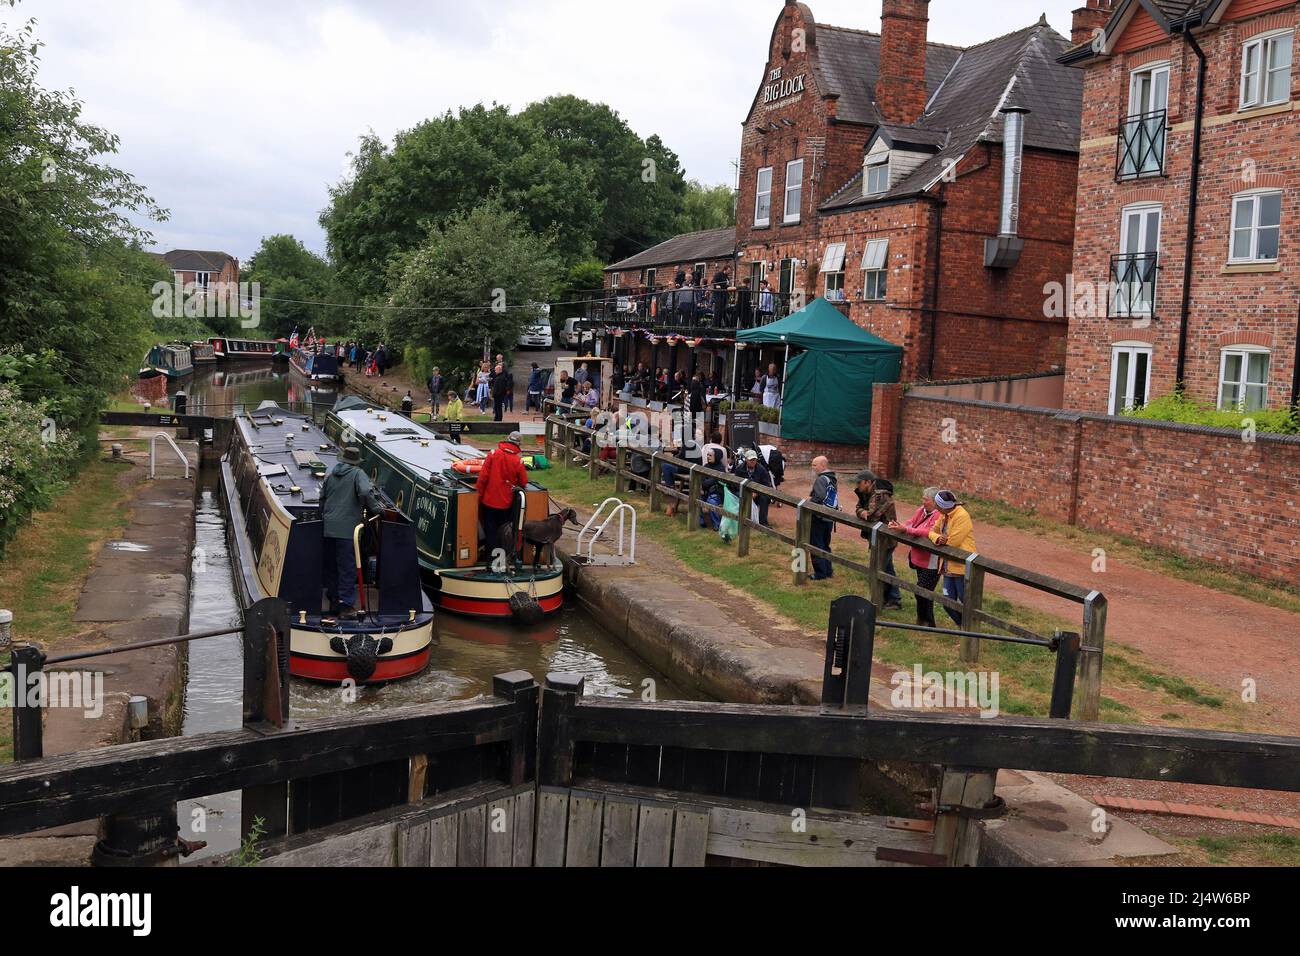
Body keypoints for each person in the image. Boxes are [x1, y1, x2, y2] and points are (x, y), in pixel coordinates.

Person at [320, 446, 386, 620]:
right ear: (356, 462)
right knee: (347, 568)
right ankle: (346, 606)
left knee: (332, 567)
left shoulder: (331, 476)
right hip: (347, 531)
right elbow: (365, 491)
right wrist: (378, 509)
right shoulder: (358, 474)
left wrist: (325, 518)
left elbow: (322, 499)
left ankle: (334, 599)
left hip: (328, 529)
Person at [891, 487, 942, 628]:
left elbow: (928, 532)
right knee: (924, 592)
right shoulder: (921, 510)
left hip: (932, 561)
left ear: (935, 502)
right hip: (919, 558)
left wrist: (907, 530)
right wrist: (900, 525)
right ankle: (925, 621)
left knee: (922, 591)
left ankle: (926, 621)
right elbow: (912, 522)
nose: (923, 502)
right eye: (923, 498)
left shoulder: (939, 516)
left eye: (926, 499)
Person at [475, 431, 529, 562]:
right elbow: (523, 481)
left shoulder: (493, 454)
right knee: (504, 531)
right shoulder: (518, 461)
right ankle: (503, 559)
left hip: (489, 501)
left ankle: (491, 559)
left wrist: (478, 496)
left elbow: (483, 478)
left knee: (490, 531)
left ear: (507, 439)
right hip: (506, 503)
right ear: (519, 444)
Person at [928, 491, 977, 626]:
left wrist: (943, 539)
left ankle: (968, 631)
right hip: (947, 565)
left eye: (937, 504)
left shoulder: (962, 516)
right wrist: (938, 538)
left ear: (942, 506)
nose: (935, 507)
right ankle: (963, 627)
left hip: (961, 567)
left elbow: (953, 542)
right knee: (947, 602)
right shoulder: (944, 515)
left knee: (964, 601)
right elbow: (932, 531)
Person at [855, 472, 902, 610]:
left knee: (880, 568)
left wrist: (864, 513)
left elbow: (872, 516)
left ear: (868, 482)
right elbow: (858, 508)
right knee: (886, 568)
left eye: (859, 483)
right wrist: (861, 512)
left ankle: (890, 599)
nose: (857, 485)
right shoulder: (864, 492)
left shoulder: (880, 495)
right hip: (877, 537)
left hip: (885, 538)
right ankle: (892, 598)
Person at [808, 456, 839, 581]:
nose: (813, 467)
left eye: (815, 465)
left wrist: (809, 502)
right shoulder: (832, 479)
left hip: (819, 516)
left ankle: (820, 573)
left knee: (816, 544)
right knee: (826, 544)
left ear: (823, 466)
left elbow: (819, 496)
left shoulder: (821, 479)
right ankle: (828, 570)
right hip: (829, 517)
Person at [735, 448, 773, 527]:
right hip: (744, 492)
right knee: (737, 495)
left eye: (754, 459)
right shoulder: (739, 469)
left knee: (764, 498)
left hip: (757, 493)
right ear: (746, 460)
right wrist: (746, 493)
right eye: (750, 460)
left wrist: (756, 493)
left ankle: (763, 523)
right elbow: (736, 484)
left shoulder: (762, 470)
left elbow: (766, 485)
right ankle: (741, 519)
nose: (753, 462)